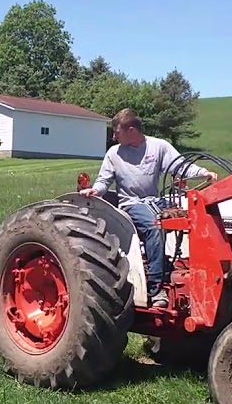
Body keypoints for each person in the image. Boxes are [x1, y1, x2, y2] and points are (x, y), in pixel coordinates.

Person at [80, 108, 217, 308]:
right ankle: (156, 289)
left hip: (155, 200)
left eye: (117, 132)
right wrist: (95, 191)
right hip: (131, 204)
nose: (113, 136)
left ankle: (192, 272)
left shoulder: (158, 147)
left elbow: (181, 167)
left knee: (194, 216)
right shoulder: (114, 153)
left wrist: (204, 173)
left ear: (132, 130)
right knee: (154, 227)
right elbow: (104, 181)